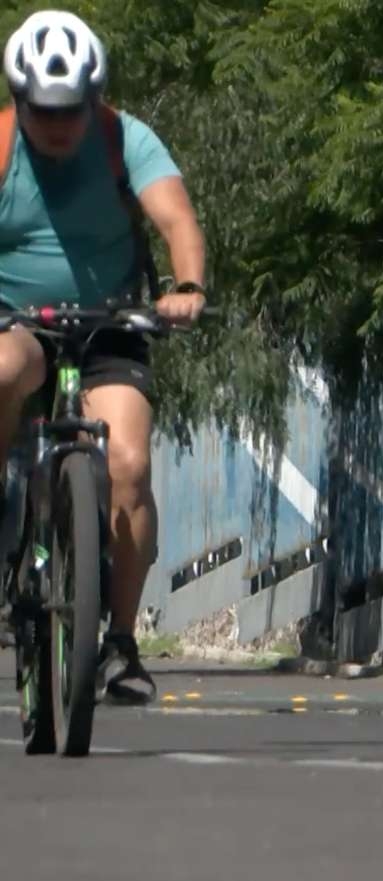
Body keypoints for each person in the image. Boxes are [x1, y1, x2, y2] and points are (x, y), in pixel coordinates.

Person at [0, 10, 209, 703]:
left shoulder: (125, 138)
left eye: (71, 111)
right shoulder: (0, 146)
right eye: (43, 112)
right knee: (2, 373)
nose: (58, 126)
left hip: (111, 323)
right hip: (17, 322)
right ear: (19, 100)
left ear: (93, 99)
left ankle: (119, 640)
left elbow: (176, 219)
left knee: (127, 463)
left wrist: (187, 287)